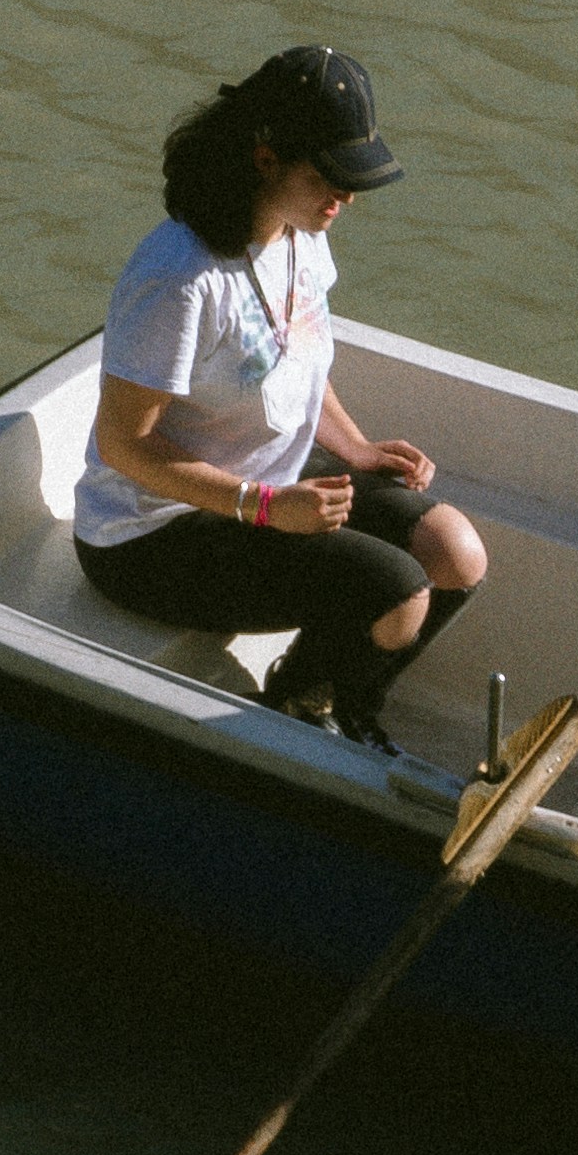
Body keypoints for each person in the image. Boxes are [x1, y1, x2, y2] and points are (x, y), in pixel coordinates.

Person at [70, 45, 486, 747]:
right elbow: (124, 445)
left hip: (267, 488)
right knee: (398, 593)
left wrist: (352, 447)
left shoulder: (299, 234)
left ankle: (329, 696)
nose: (345, 198)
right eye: (330, 176)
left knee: (455, 553)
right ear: (265, 158)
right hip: (153, 536)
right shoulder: (179, 280)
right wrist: (264, 507)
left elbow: (295, 359)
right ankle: (299, 712)